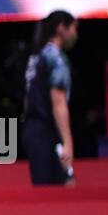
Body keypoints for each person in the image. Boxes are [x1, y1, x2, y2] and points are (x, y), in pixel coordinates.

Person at [22, 10, 78, 185]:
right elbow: (58, 102)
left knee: (54, 191)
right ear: (62, 29)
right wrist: (67, 143)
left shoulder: (36, 57)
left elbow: (27, 100)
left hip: (33, 132)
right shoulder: (56, 59)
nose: (76, 35)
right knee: (59, 194)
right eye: (74, 29)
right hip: (48, 135)